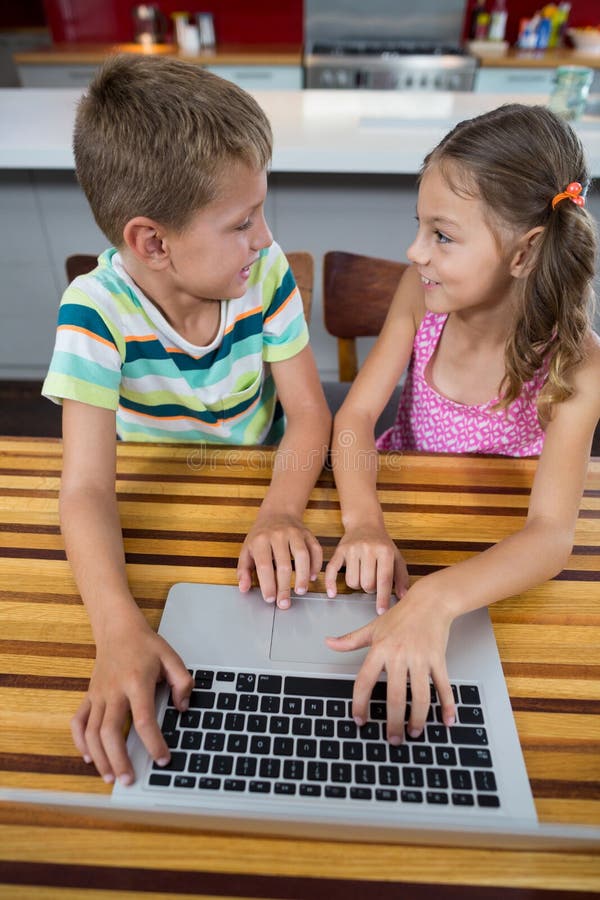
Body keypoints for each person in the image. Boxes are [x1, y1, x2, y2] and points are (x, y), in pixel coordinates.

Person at [41, 54, 331, 785]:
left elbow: (307, 415)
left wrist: (280, 511)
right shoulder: (94, 310)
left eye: (261, 211)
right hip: (158, 502)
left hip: (252, 488)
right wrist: (117, 628)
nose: (265, 238)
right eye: (242, 221)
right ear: (153, 243)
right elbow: (85, 490)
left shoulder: (264, 277)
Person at [324, 104, 600, 747]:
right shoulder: (419, 294)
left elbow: (551, 536)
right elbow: (357, 417)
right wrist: (364, 523)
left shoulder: (579, 363)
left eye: (442, 235)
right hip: (399, 509)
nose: (414, 251)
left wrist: (435, 601)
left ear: (525, 253)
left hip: (494, 555)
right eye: (418, 226)